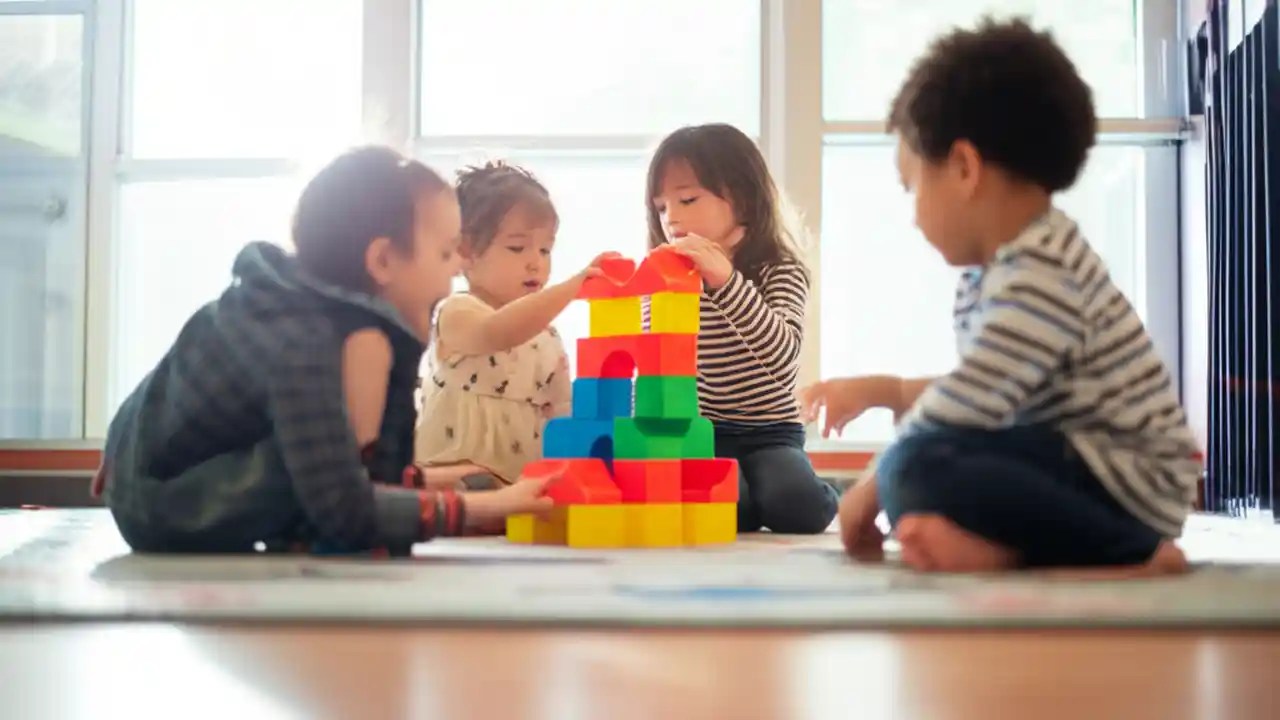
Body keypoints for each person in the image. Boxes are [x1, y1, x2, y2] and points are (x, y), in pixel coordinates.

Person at [798, 17, 1201, 574]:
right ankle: (1011, 548)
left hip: (1125, 488)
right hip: (1078, 467)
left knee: (913, 467)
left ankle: (1127, 555)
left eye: (912, 187)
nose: (913, 215)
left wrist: (874, 479)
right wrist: (890, 394)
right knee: (922, 463)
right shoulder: (1009, 267)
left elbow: (972, 400)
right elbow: (990, 391)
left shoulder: (1041, 268)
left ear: (964, 168)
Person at [92, 147, 552, 555]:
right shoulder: (304, 340)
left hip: (166, 475)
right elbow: (342, 508)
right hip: (163, 507)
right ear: (383, 261)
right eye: (446, 254)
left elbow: (349, 459)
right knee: (338, 501)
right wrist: (488, 507)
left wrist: (429, 484)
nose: (455, 271)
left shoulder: (340, 322)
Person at [646, 123, 839, 534]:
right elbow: (653, 365)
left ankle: (821, 489)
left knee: (796, 507)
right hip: (701, 434)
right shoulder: (664, 279)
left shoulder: (780, 270)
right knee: (731, 509)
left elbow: (782, 356)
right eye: (661, 207)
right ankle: (750, 495)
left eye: (687, 199)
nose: (671, 217)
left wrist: (726, 281)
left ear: (744, 198)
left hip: (771, 432)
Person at [415, 161, 611, 491]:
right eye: (517, 247)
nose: (536, 262)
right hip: (452, 479)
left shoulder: (547, 336)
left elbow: (562, 414)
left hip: (517, 487)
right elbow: (496, 332)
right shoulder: (457, 311)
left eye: (545, 249)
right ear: (465, 253)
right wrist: (571, 288)